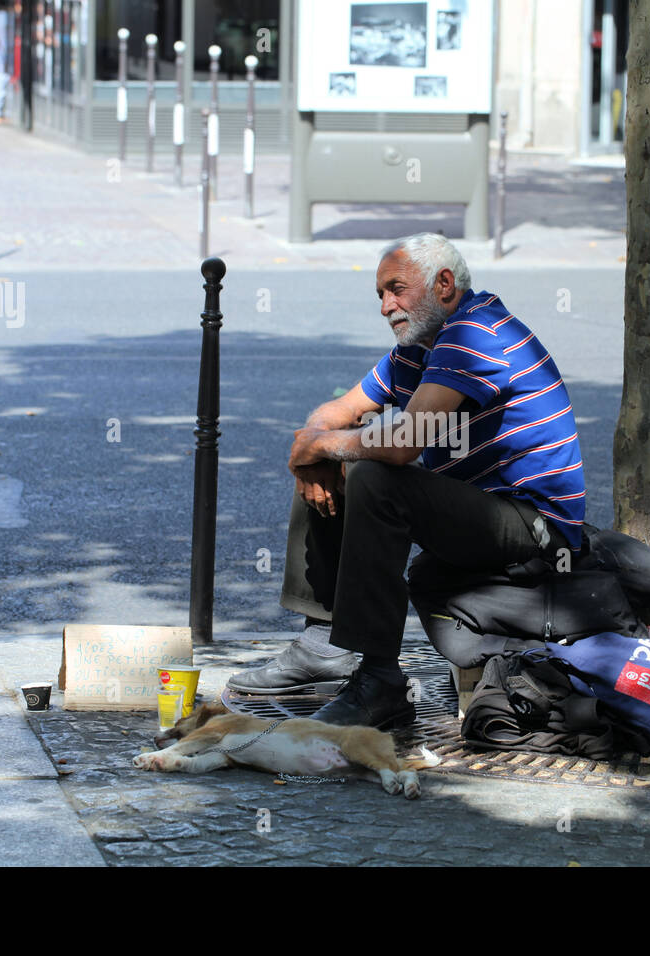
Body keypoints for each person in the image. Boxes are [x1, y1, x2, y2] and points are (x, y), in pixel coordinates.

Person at [227, 233, 587, 728]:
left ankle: (380, 682)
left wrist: (320, 446)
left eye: (395, 289)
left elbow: (403, 442)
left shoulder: (476, 333)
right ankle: (322, 643)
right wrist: (313, 452)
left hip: (534, 528)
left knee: (372, 472)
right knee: (331, 458)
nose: (385, 307)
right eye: (379, 294)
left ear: (443, 284)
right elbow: (340, 411)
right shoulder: (418, 346)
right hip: (480, 514)